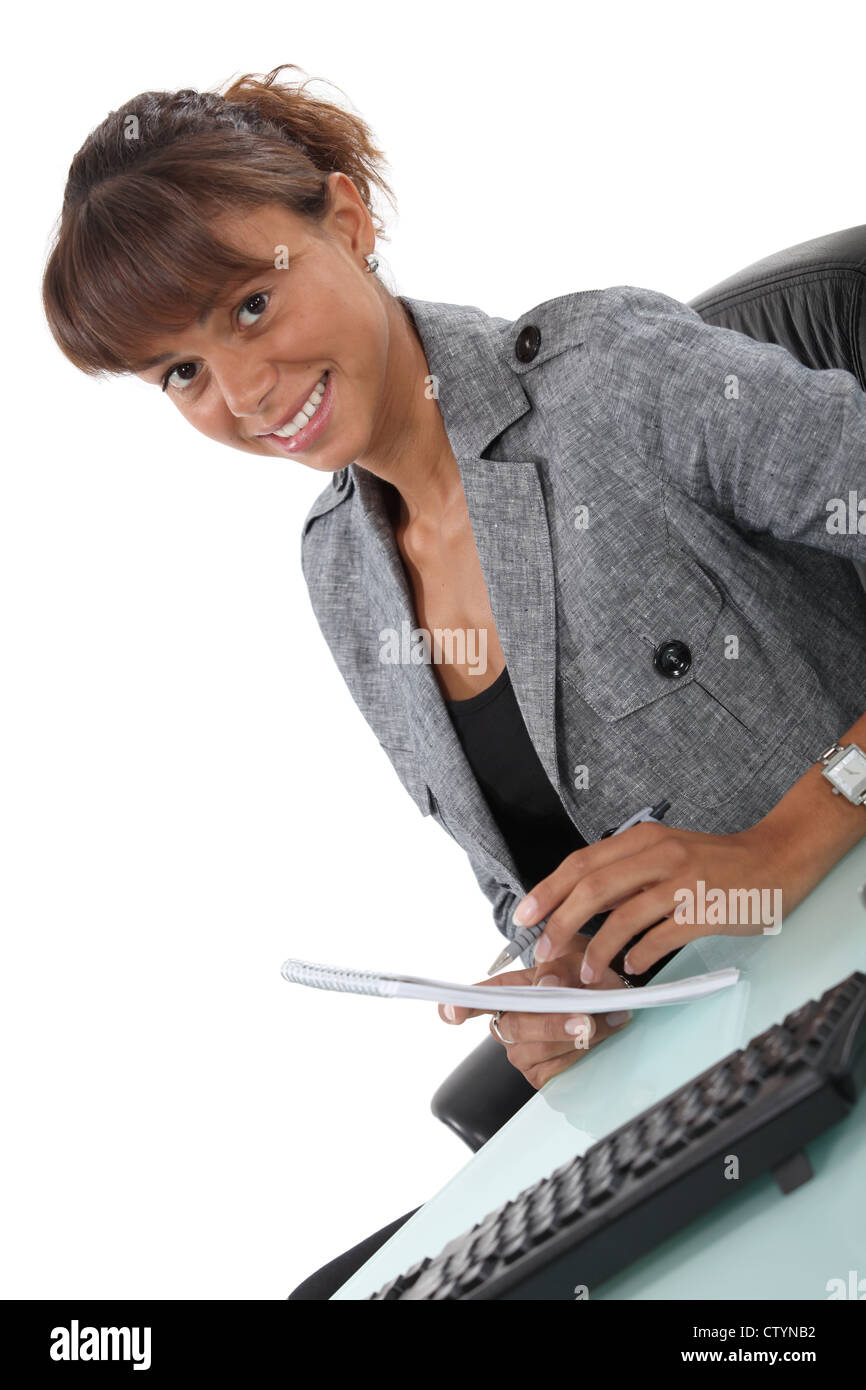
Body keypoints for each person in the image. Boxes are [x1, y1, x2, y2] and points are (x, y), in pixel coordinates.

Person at [42, 64, 866, 1300]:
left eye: (252, 306)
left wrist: (791, 837)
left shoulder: (611, 380)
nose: (245, 395)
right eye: (180, 373)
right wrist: (555, 989)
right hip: (726, 1073)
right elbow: (524, 876)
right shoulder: (340, 574)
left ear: (348, 222)